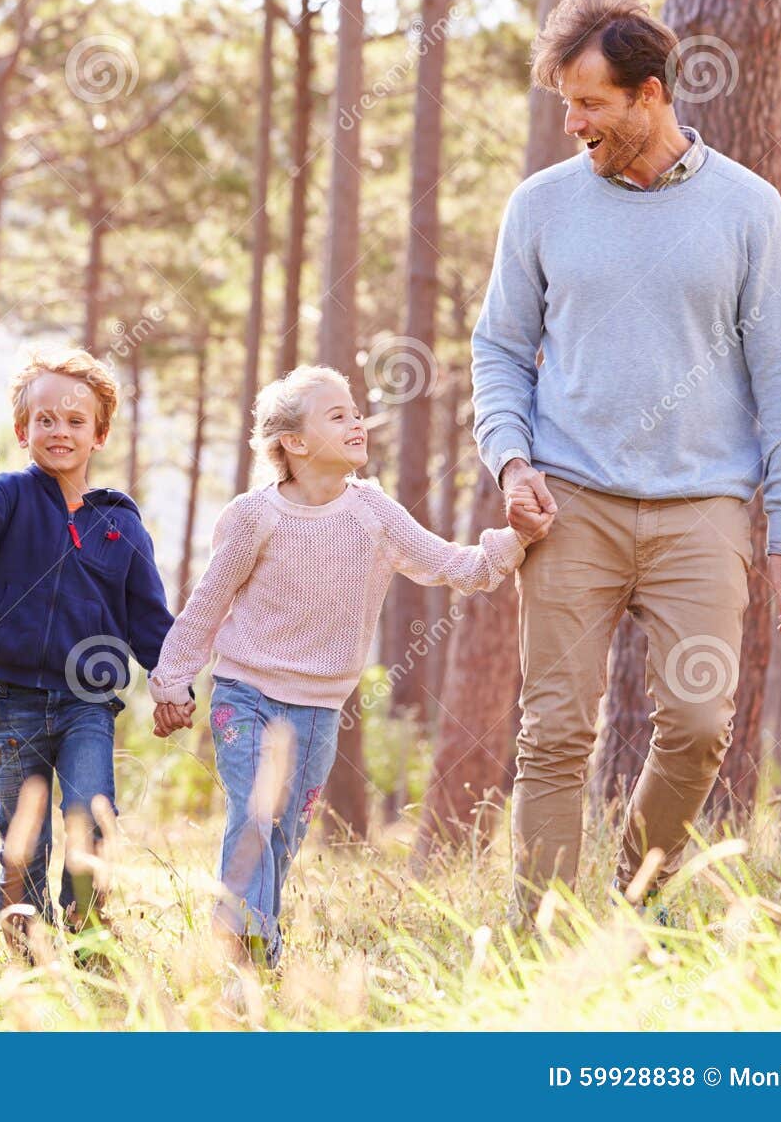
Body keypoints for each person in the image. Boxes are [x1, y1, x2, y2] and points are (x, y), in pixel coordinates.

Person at [469, 0, 781, 919]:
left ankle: (632, 903)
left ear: (651, 94)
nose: (573, 123)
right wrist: (512, 461)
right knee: (553, 735)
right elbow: (498, 349)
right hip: (570, 502)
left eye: (591, 103)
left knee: (700, 727)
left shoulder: (748, 209)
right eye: (566, 103)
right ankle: (538, 941)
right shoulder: (541, 205)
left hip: (703, 508)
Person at [148, 365, 542, 969]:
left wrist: (515, 539)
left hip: (319, 709)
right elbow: (208, 603)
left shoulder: (374, 512)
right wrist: (172, 680)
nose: (357, 422)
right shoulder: (256, 516)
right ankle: (244, 957)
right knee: (254, 815)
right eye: (338, 416)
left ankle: (256, 950)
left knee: (284, 835)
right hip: (245, 692)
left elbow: (456, 567)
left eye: (357, 412)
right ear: (295, 442)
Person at [0, 349, 173, 945]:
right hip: (15, 701)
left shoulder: (121, 524)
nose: (59, 431)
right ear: (22, 431)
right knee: (23, 837)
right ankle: (27, 948)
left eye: (74, 421)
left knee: (92, 818)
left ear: (99, 435)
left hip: (88, 705)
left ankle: (87, 932)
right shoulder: (8, 497)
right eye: (45, 420)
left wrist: (172, 685)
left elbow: (148, 618)